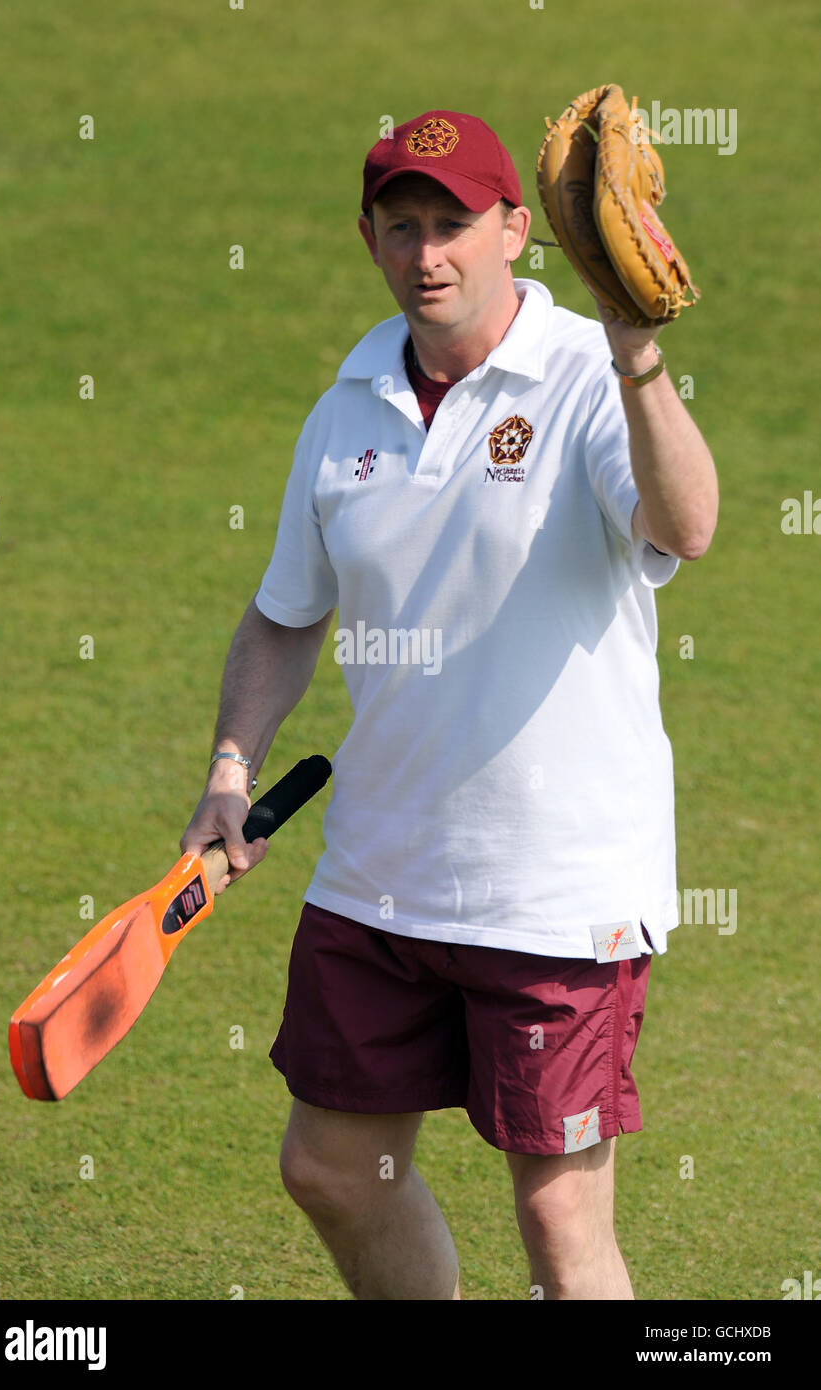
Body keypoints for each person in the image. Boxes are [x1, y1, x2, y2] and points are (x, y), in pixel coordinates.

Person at [180, 109, 718, 1301]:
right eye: (401, 225)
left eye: (454, 225)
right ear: (368, 238)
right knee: (331, 1166)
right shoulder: (347, 408)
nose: (428, 253)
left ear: (517, 232)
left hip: (556, 889)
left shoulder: (587, 375)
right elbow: (283, 614)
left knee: (558, 1215)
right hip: (378, 876)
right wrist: (229, 766)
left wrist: (637, 349)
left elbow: (684, 525)